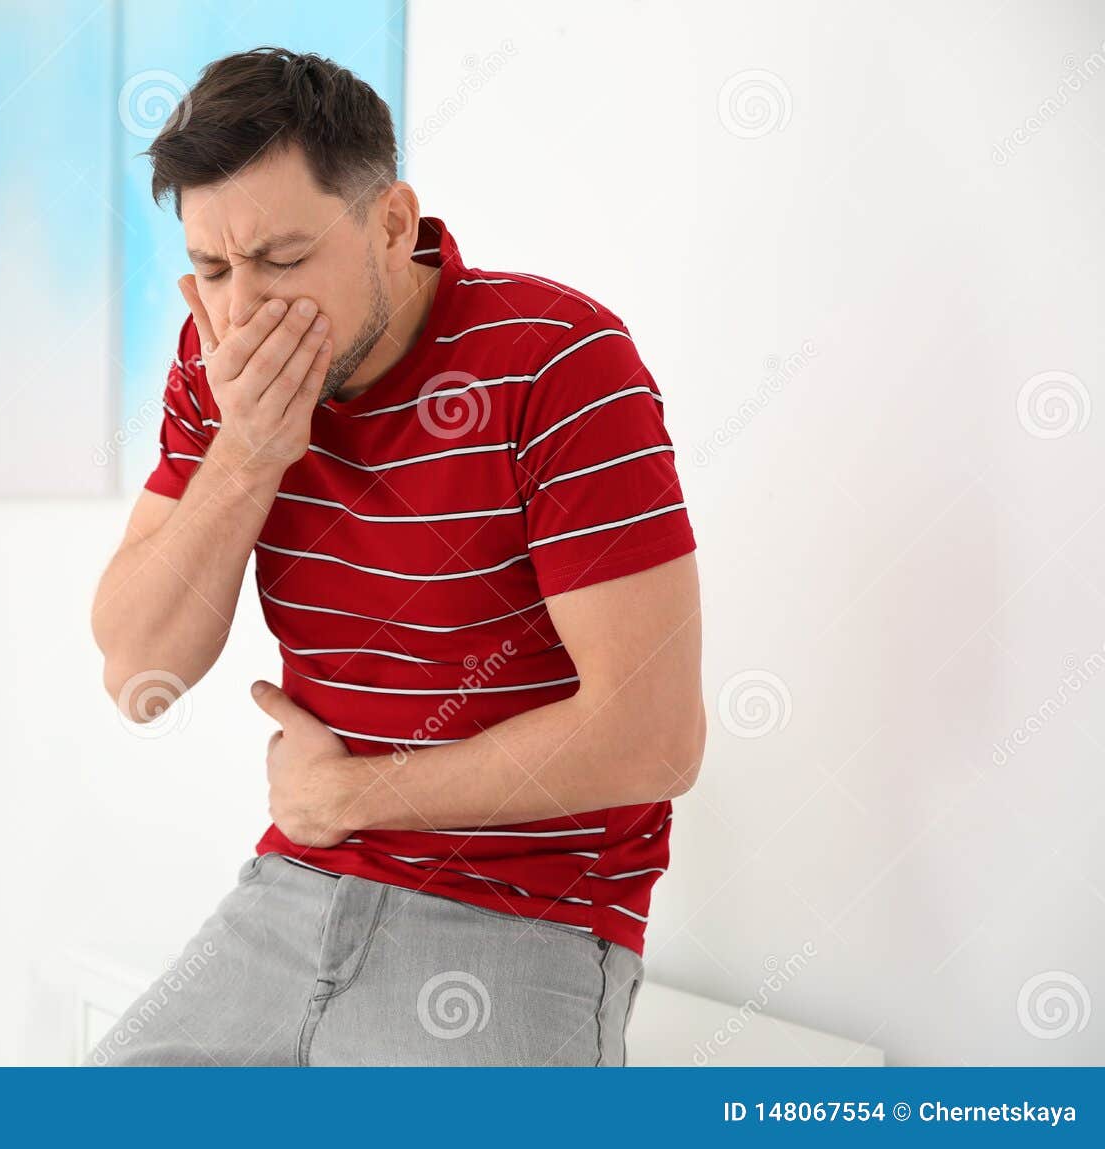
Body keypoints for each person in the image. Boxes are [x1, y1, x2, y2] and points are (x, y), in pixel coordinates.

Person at [89, 47, 705, 1066]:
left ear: (389, 221)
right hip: (291, 894)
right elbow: (135, 673)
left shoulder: (557, 362)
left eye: (283, 259)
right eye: (210, 268)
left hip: (521, 920)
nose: (242, 310)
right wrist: (246, 455)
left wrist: (351, 796)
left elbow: (655, 736)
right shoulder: (219, 372)